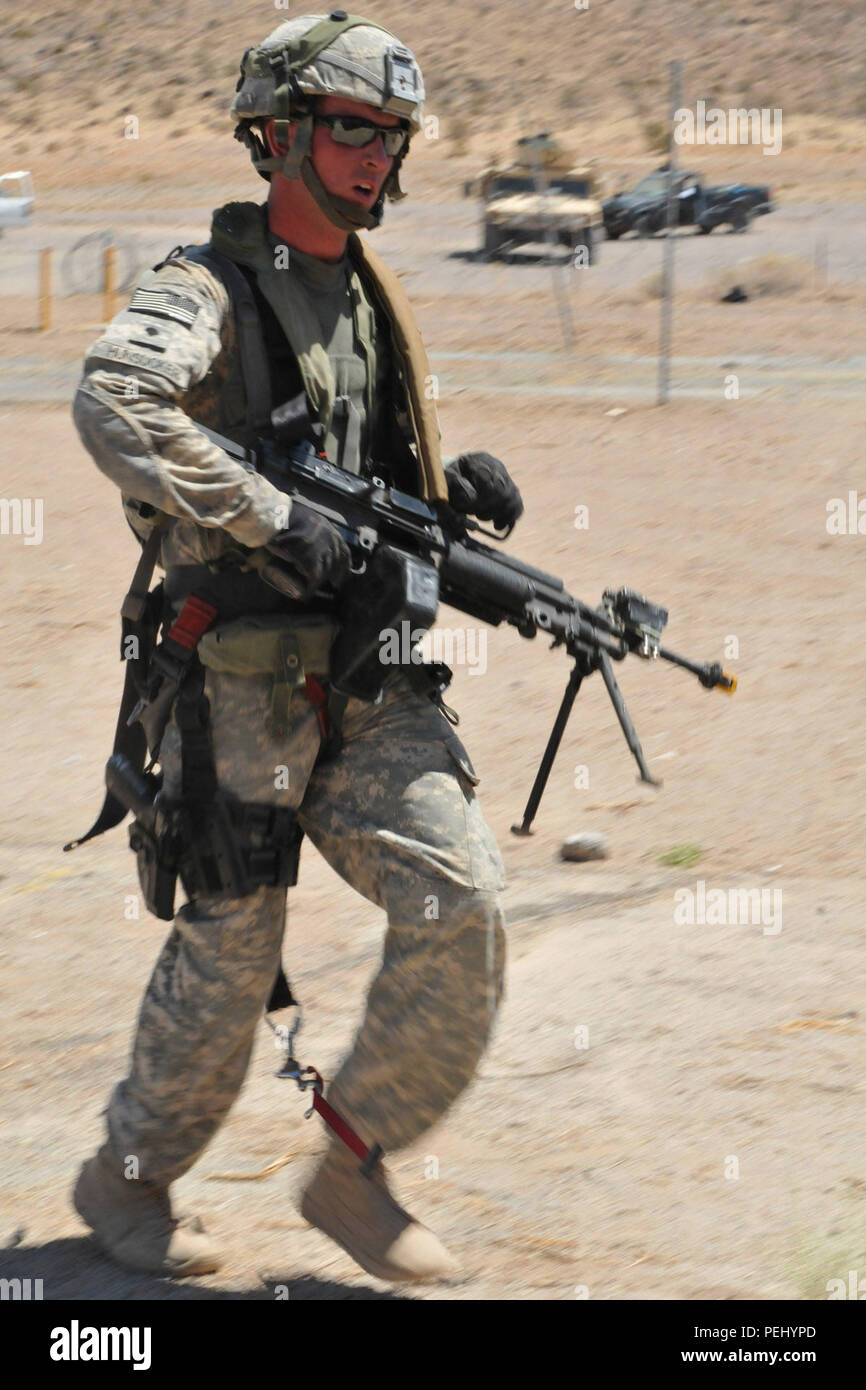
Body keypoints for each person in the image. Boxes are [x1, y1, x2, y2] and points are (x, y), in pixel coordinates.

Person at [70, 10, 522, 1285]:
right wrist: (269, 517)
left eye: (392, 135)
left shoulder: (368, 297)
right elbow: (114, 398)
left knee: (462, 901)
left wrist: (448, 500)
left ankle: (348, 1165)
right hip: (235, 684)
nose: (376, 155)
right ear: (276, 132)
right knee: (231, 951)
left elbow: (356, 472)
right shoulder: (205, 286)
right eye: (350, 128)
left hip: (366, 676)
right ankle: (130, 1177)